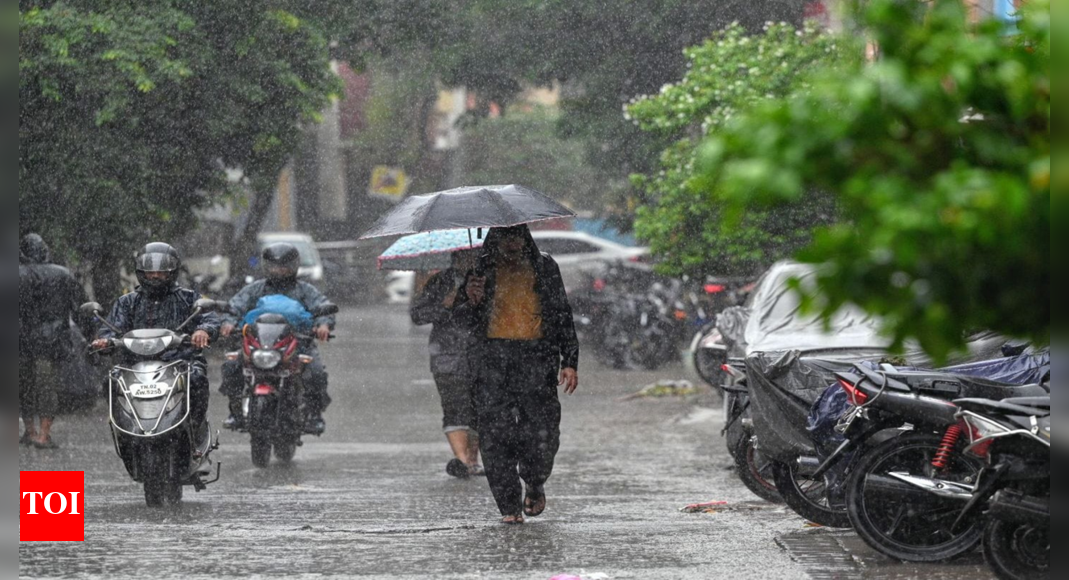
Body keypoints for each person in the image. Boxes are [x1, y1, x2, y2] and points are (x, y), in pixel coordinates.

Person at [453, 225, 580, 525]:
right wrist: (470, 300)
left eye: (516, 236)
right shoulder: (479, 270)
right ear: (495, 240)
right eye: (505, 236)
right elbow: (460, 321)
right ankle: (509, 506)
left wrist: (570, 360)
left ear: (525, 238)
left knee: (543, 432)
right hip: (492, 362)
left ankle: (535, 481)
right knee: (495, 436)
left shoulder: (544, 266)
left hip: (537, 359)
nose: (511, 242)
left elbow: (561, 312)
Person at [91, 243, 218, 433]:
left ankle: (195, 428)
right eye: (150, 272)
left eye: (161, 272)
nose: (155, 276)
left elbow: (209, 318)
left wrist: (203, 331)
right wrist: (105, 341)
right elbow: (111, 327)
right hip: (134, 364)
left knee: (197, 378)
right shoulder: (127, 302)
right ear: (141, 272)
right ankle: (123, 427)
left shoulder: (189, 298)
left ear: (172, 272)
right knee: (111, 381)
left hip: (179, 361)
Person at [220, 243, 336, 435]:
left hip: (298, 344)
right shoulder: (254, 289)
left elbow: (322, 306)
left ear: (294, 266)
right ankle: (236, 412)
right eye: (274, 266)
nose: (279, 270)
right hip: (258, 345)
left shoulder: (305, 290)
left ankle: (314, 416)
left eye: (284, 266)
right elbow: (234, 307)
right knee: (232, 366)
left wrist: (323, 324)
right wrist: (228, 323)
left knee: (316, 373)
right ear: (266, 266)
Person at [410, 249, 484, 479]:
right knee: (454, 407)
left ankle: (473, 460)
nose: (468, 261)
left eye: (473, 256)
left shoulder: (486, 280)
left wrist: (480, 302)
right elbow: (417, 315)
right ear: (455, 257)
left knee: (479, 408)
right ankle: (462, 461)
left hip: (481, 353)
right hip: (446, 355)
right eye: (463, 256)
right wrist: (444, 306)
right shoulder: (439, 282)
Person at [19, 234, 89, 449]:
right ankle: (44, 434)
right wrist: (90, 334)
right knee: (47, 388)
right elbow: (80, 307)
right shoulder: (63, 274)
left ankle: (30, 431)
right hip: (51, 342)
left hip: (21, 341)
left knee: (24, 387)